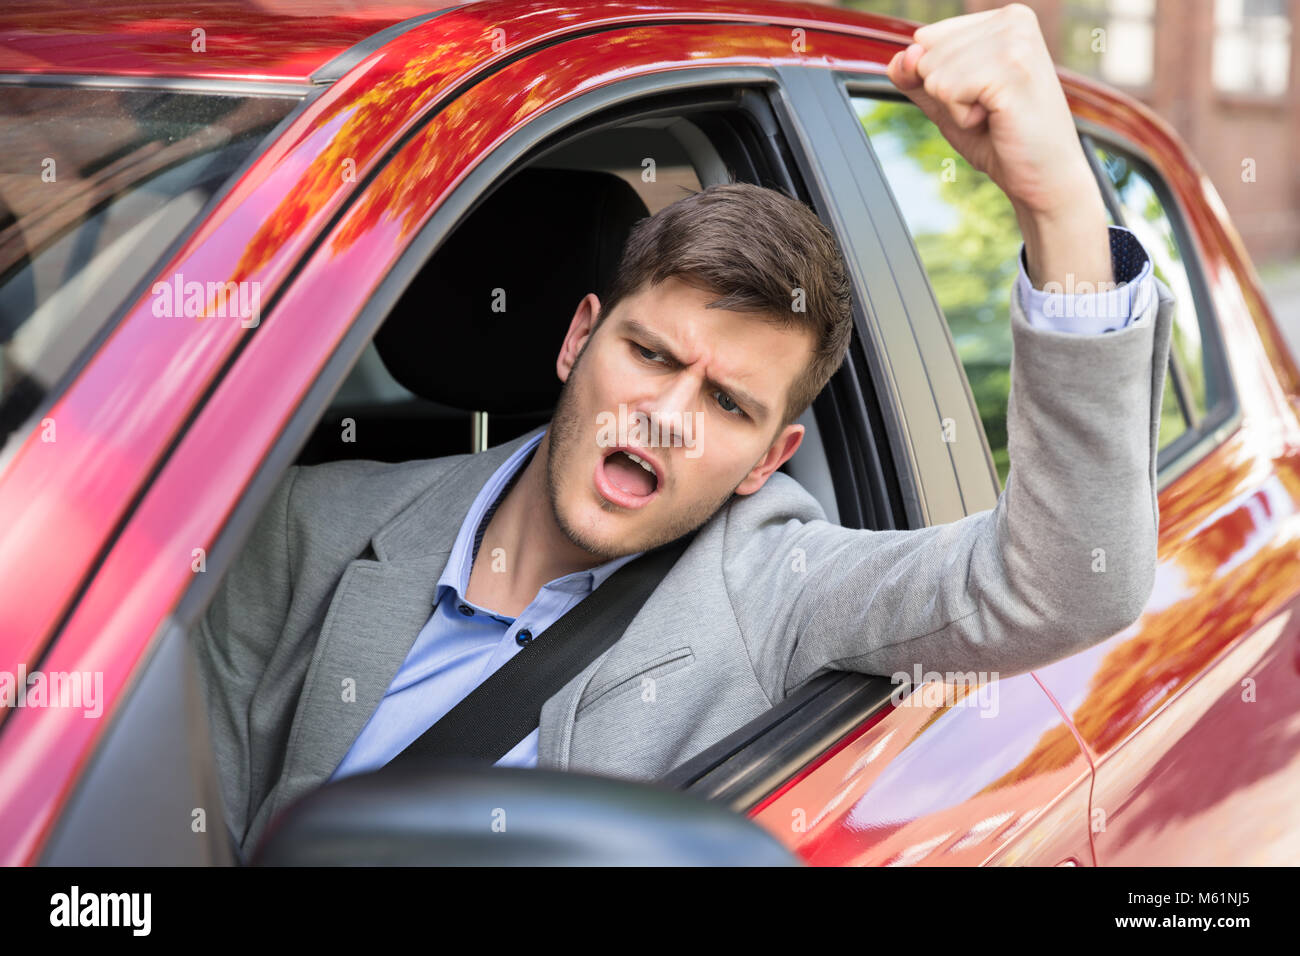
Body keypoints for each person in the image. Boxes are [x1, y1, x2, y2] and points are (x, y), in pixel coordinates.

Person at [191, 4, 1173, 858]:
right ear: (580, 337)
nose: (664, 414)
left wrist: (1057, 209)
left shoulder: (775, 590)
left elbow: (1065, 579)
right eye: (652, 355)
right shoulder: (304, 525)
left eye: (728, 404)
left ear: (766, 461)